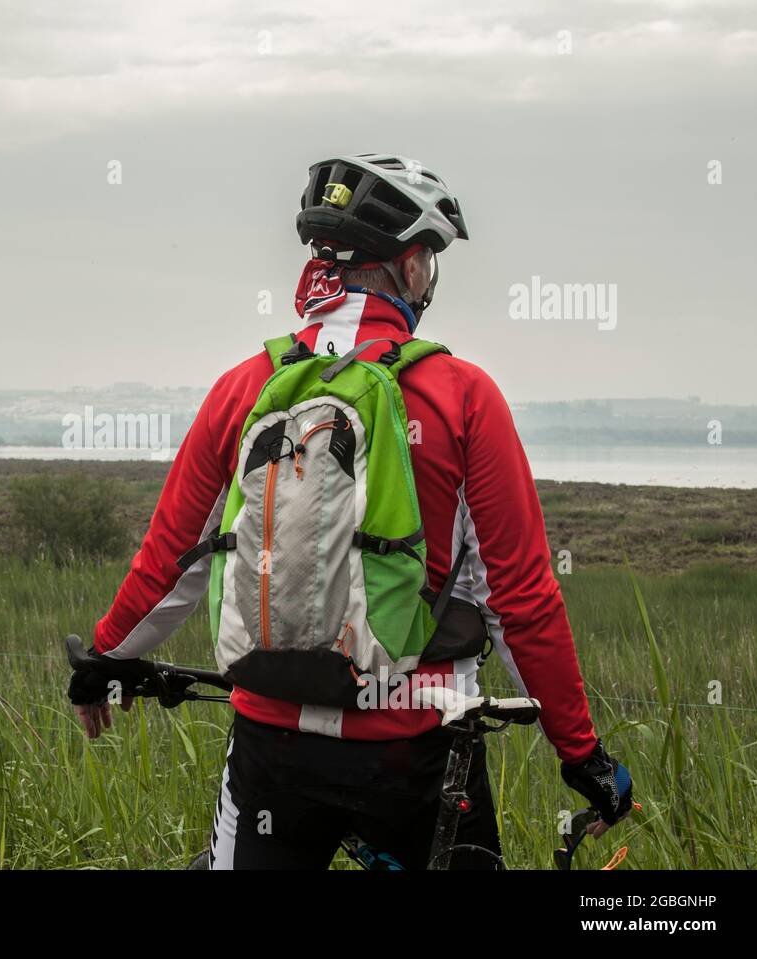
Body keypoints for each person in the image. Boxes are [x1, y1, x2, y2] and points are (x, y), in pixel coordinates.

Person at [69, 154, 633, 869]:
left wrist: (103, 659)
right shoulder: (462, 396)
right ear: (414, 267)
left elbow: (173, 561)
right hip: (419, 750)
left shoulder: (246, 387)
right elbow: (519, 599)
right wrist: (582, 751)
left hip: (271, 747)